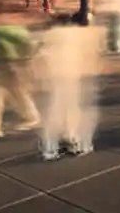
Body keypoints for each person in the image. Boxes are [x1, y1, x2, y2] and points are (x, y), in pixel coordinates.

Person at [37, 16, 102, 159]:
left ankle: (52, 148)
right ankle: (70, 139)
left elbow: (43, 56)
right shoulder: (75, 35)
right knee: (71, 107)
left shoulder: (49, 35)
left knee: (56, 108)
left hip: (56, 76)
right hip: (70, 75)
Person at [0, 18, 40, 140]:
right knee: (5, 94)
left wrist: (24, 61)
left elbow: (30, 44)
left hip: (9, 64)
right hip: (2, 64)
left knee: (8, 93)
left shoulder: (4, 31)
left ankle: (31, 118)